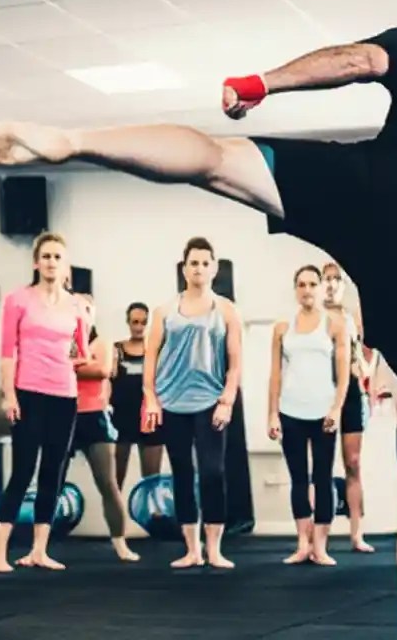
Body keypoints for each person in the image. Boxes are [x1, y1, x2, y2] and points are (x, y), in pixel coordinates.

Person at [0, 0, 397, 637]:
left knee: (220, 160)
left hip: (373, 192)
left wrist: (263, 83)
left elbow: (358, 60)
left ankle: (72, 141)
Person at [0, 232, 89, 573]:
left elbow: (81, 355)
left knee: (53, 473)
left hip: (64, 394)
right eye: (46, 256)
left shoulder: (76, 305)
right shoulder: (18, 300)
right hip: (28, 393)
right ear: (36, 262)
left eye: (57, 257)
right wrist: (9, 394)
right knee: (22, 471)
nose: (51, 262)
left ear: (65, 264)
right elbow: (7, 352)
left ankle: (39, 551)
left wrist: (88, 317)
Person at [143, 237, 243, 570]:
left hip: (210, 402)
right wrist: (151, 400)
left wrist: (227, 399)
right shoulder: (164, 311)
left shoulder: (227, 310)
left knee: (213, 472)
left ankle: (214, 548)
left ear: (214, 268)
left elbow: (235, 360)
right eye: (193, 263)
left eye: (204, 263)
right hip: (172, 403)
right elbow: (150, 358)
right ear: (184, 268)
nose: (199, 268)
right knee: (182, 473)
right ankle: (191, 549)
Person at [268, 265, 349, 566]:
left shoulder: (334, 325)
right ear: (295, 289)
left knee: (323, 477)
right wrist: (272, 415)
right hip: (291, 411)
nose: (306, 289)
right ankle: (303, 543)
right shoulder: (281, 328)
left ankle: (321, 546)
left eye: (312, 284)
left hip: (323, 412)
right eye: (301, 284)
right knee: (299, 479)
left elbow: (343, 375)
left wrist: (336, 409)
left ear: (319, 287)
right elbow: (275, 376)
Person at [70, 307, 139, 563]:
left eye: (87, 309)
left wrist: (66, 365)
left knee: (108, 484)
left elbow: (102, 370)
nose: (81, 313)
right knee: (49, 482)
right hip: (64, 415)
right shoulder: (61, 341)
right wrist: (80, 364)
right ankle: (39, 547)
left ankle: (121, 545)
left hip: (94, 416)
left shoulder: (102, 342)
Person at [320, 262, 375, 553]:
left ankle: (357, 534)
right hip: (321, 394)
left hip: (352, 394)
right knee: (321, 466)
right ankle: (320, 536)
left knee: (353, 463)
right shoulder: (313, 319)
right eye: (325, 279)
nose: (330, 284)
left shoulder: (352, 318)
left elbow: (368, 357)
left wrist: (365, 371)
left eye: (335, 279)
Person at [112, 302, 163, 487]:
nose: (139, 327)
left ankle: (151, 515)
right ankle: (116, 516)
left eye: (143, 322)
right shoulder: (116, 350)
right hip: (121, 420)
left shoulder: (156, 352)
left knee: (151, 481)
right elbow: (106, 382)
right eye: (135, 322)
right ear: (128, 323)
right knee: (114, 482)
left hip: (149, 420)